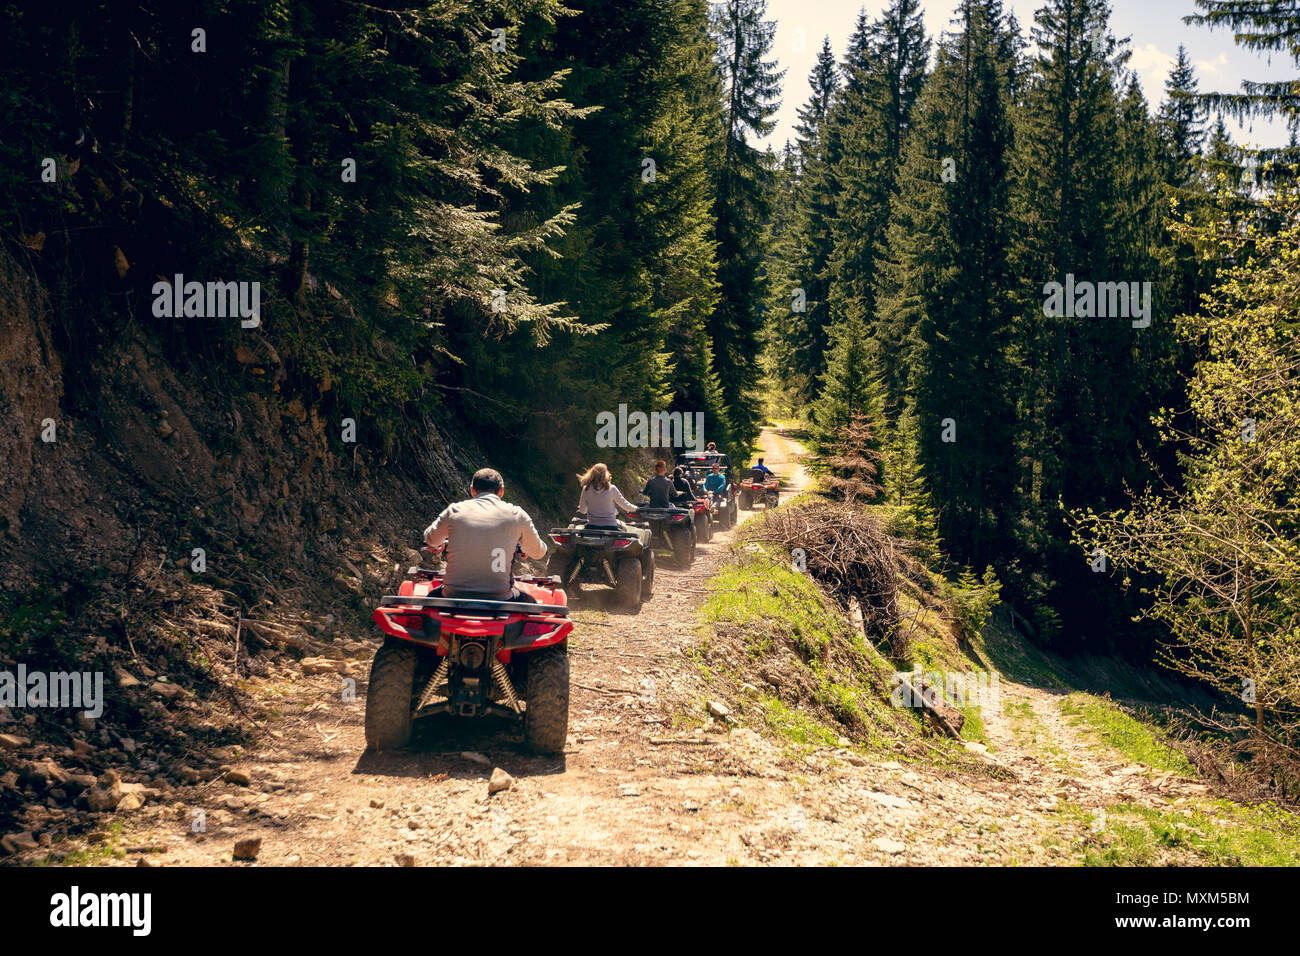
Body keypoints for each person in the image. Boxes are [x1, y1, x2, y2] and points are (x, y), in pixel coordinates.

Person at [423, 468, 547, 601]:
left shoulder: (454, 510)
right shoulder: (517, 515)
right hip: (500, 598)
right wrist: (525, 545)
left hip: (453, 595)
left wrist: (439, 542)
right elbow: (538, 553)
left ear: (472, 489)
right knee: (532, 604)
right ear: (501, 491)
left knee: (428, 602)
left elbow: (430, 539)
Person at [576, 462, 635, 530]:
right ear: (606, 474)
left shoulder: (586, 489)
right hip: (610, 526)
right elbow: (625, 505)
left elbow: (583, 511)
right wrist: (636, 508)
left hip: (592, 526)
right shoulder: (612, 488)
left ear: (591, 473)